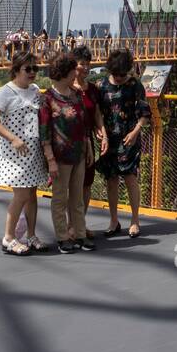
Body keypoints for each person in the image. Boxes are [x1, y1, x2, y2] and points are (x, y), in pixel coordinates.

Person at [0, 52, 47, 255]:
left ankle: (30, 235)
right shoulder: (5, 92)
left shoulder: (35, 90)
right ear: (16, 70)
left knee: (31, 194)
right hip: (14, 154)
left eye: (35, 68)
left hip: (33, 151)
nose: (32, 73)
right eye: (27, 69)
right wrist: (13, 138)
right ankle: (9, 237)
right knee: (21, 194)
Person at [41, 54, 96, 253]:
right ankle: (63, 237)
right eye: (73, 69)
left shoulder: (75, 94)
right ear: (64, 73)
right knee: (60, 198)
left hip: (79, 152)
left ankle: (80, 234)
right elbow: (44, 131)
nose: (77, 72)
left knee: (77, 197)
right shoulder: (48, 98)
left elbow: (84, 123)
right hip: (60, 156)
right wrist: (50, 160)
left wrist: (88, 146)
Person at [96, 48, 150, 239]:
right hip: (108, 139)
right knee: (111, 179)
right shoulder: (102, 85)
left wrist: (136, 131)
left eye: (122, 74)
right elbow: (98, 113)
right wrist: (101, 131)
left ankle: (135, 220)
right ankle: (113, 220)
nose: (119, 78)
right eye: (115, 74)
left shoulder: (135, 85)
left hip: (129, 137)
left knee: (130, 177)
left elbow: (144, 112)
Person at [71, 45, 108, 242]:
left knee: (86, 185)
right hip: (70, 142)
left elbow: (96, 115)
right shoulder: (66, 89)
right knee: (72, 186)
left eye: (87, 64)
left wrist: (103, 133)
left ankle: (80, 224)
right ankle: (69, 227)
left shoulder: (92, 89)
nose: (85, 68)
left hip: (88, 143)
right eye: (81, 64)